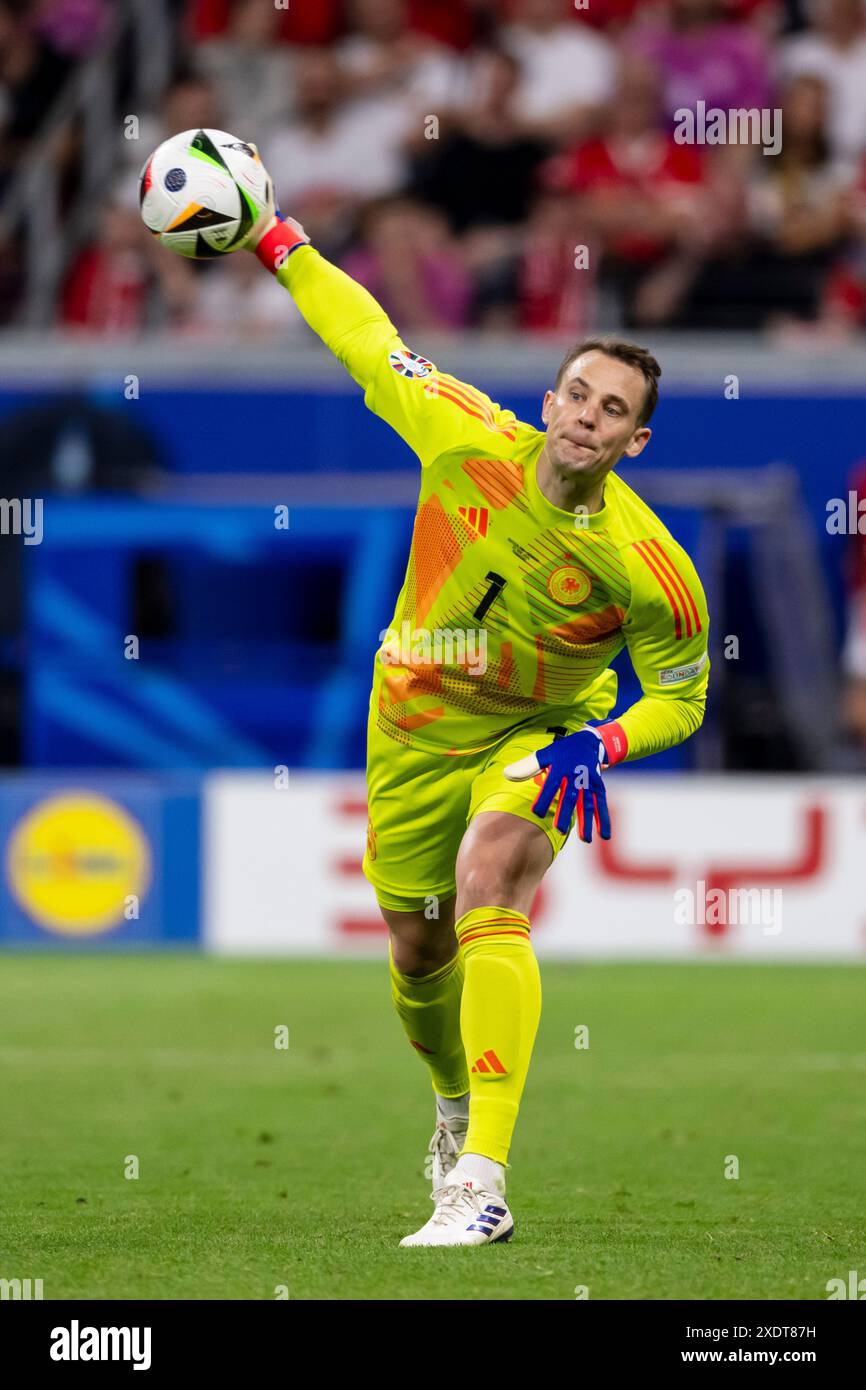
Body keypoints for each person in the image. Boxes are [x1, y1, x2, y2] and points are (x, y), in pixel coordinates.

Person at [218, 166, 710, 1247]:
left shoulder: (648, 567)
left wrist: (602, 737)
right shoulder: (463, 437)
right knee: (412, 948)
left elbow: (681, 693)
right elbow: (365, 336)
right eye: (578, 394)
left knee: (491, 874)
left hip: (534, 735)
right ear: (550, 402)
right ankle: (450, 1105)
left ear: (635, 443)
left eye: (613, 411)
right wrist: (276, 238)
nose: (587, 417)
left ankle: (480, 1177)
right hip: (407, 730)